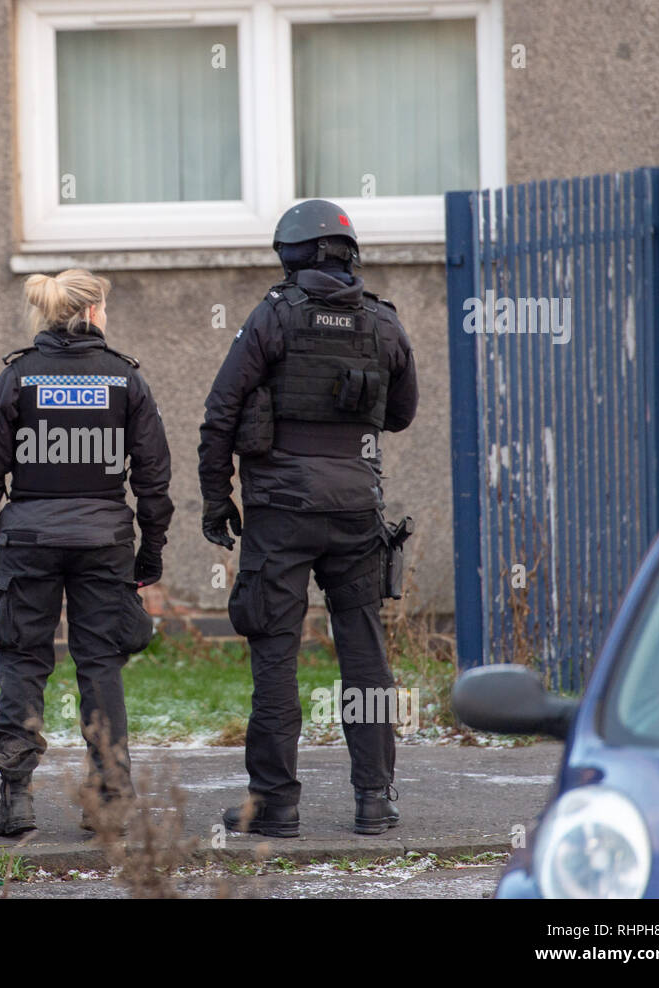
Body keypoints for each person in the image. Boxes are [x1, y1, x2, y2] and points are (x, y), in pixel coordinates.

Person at [198, 200, 418, 837]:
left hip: (282, 515)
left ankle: (275, 806)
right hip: (356, 511)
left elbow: (220, 413)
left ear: (292, 253)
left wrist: (218, 499)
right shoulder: (384, 322)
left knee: (275, 654)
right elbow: (401, 414)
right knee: (366, 655)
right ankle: (374, 800)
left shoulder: (272, 316)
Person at [0, 268, 173, 837]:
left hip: (27, 541)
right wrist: (149, 555)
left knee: (23, 660)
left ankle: (16, 800)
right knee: (100, 664)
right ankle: (108, 804)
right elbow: (154, 483)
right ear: (93, 312)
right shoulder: (126, 382)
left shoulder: (17, 380)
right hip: (105, 543)